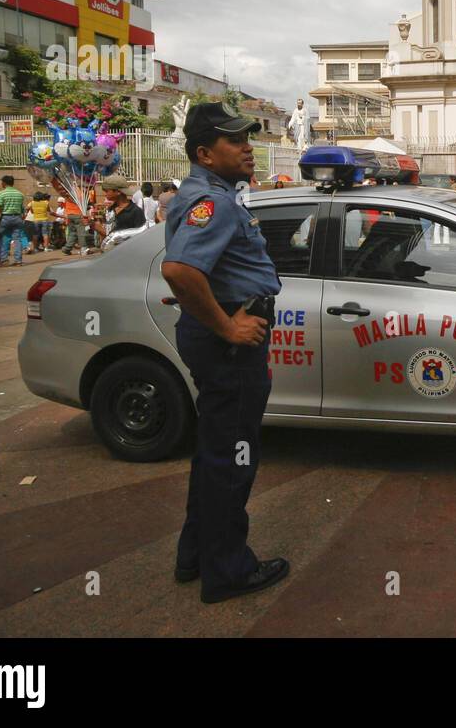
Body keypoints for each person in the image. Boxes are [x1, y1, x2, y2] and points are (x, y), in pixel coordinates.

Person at [162, 101, 288, 604]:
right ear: (204, 154)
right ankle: (228, 570)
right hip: (228, 344)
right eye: (234, 141)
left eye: (246, 138)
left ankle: (196, 553)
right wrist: (228, 328)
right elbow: (179, 271)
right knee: (232, 457)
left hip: (223, 335)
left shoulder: (215, 195)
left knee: (217, 452)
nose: (247, 148)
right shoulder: (210, 202)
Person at [0, 175, 27, 267]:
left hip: (5, 218)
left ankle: (3, 260)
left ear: (4, 183)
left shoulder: (1, 194)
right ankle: (18, 261)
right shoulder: (20, 194)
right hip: (17, 218)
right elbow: (22, 208)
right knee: (17, 239)